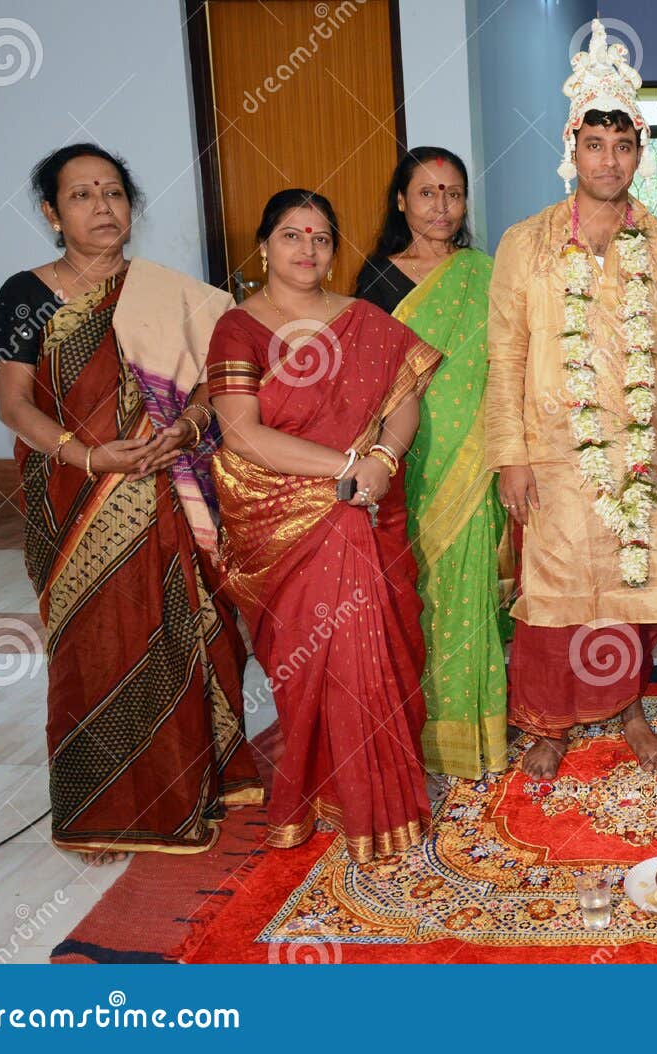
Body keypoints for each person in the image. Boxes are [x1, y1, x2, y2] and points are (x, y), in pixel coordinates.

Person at [0, 143, 260, 861]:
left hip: (172, 487)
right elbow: (14, 407)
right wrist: (89, 455)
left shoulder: (168, 291)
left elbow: (214, 382)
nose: (102, 206)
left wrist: (190, 426)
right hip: (76, 502)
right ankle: (104, 809)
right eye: (81, 195)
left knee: (182, 635)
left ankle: (195, 787)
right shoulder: (26, 295)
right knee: (95, 650)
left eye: (112, 192)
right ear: (52, 213)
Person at [486, 20, 657, 778]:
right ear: (572, 146)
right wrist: (509, 456)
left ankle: (626, 712)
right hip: (551, 453)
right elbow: (505, 356)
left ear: (638, 152)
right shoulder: (528, 242)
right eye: (595, 143)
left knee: (628, 589)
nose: (608, 160)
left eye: (623, 146)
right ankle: (546, 723)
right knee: (550, 600)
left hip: (637, 452)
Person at [208, 189, 440, 863]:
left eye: (320, 237)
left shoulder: (363, 318)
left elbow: (404, 403)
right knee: (307, 664)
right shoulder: (240, 328)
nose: (307, 250)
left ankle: (381, 795)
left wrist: (384, 459)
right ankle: (335, 793)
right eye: (291, 235)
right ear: (264, 246)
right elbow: (242, 434)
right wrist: (345, 466)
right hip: (285, 519)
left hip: (366, 501)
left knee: (378, 649)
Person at [355, 147, 510, 779]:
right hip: (406, 455)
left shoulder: (484, 271)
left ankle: (478, 730)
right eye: (427, 193)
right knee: (415, 588)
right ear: (401, 201)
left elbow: (508, 358)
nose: (442, 207)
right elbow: (366, 374)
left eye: (453, 193)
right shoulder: (379, 278)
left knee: (472, 585)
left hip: (478, 452)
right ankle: (422, 726)